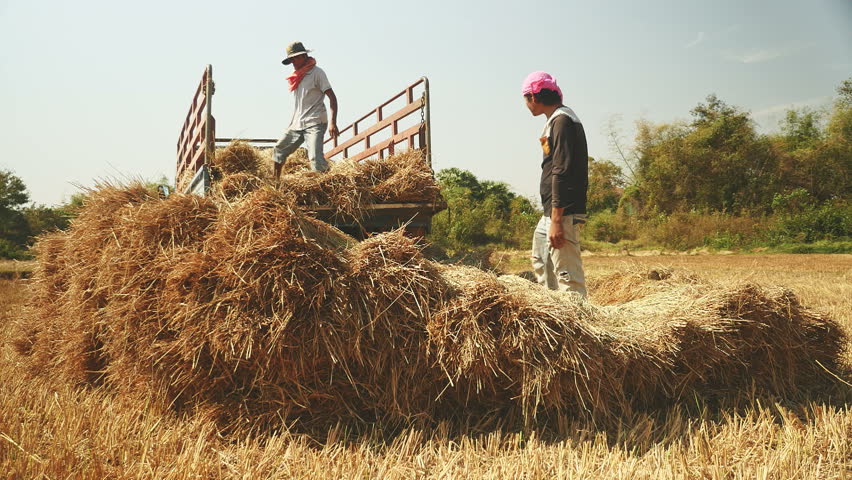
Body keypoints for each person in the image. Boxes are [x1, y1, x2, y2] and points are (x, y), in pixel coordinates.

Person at [522, 71, 589, 297]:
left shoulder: (563, 122)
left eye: (525, 98)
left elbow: (562, 170)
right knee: (541, 262)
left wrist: (558, 220)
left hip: (562, 212)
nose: (526, 104)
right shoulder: (555, 121)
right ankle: (555, 317)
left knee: (567, 276)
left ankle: (579, 323)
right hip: (551, 211)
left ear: (534, 96)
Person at [273, 41, 339, 177]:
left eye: (296, 58)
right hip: (298, 123)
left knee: (315, 158)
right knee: (278, 150)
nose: (293, 62)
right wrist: (291, 124)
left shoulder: (317, 73)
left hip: (315, 121)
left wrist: (333, 123)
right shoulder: (296, 77)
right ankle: (275, 184)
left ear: (304, 56)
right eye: (291, 59)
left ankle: (324, 187)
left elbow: (332, 98)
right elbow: (299, 105)